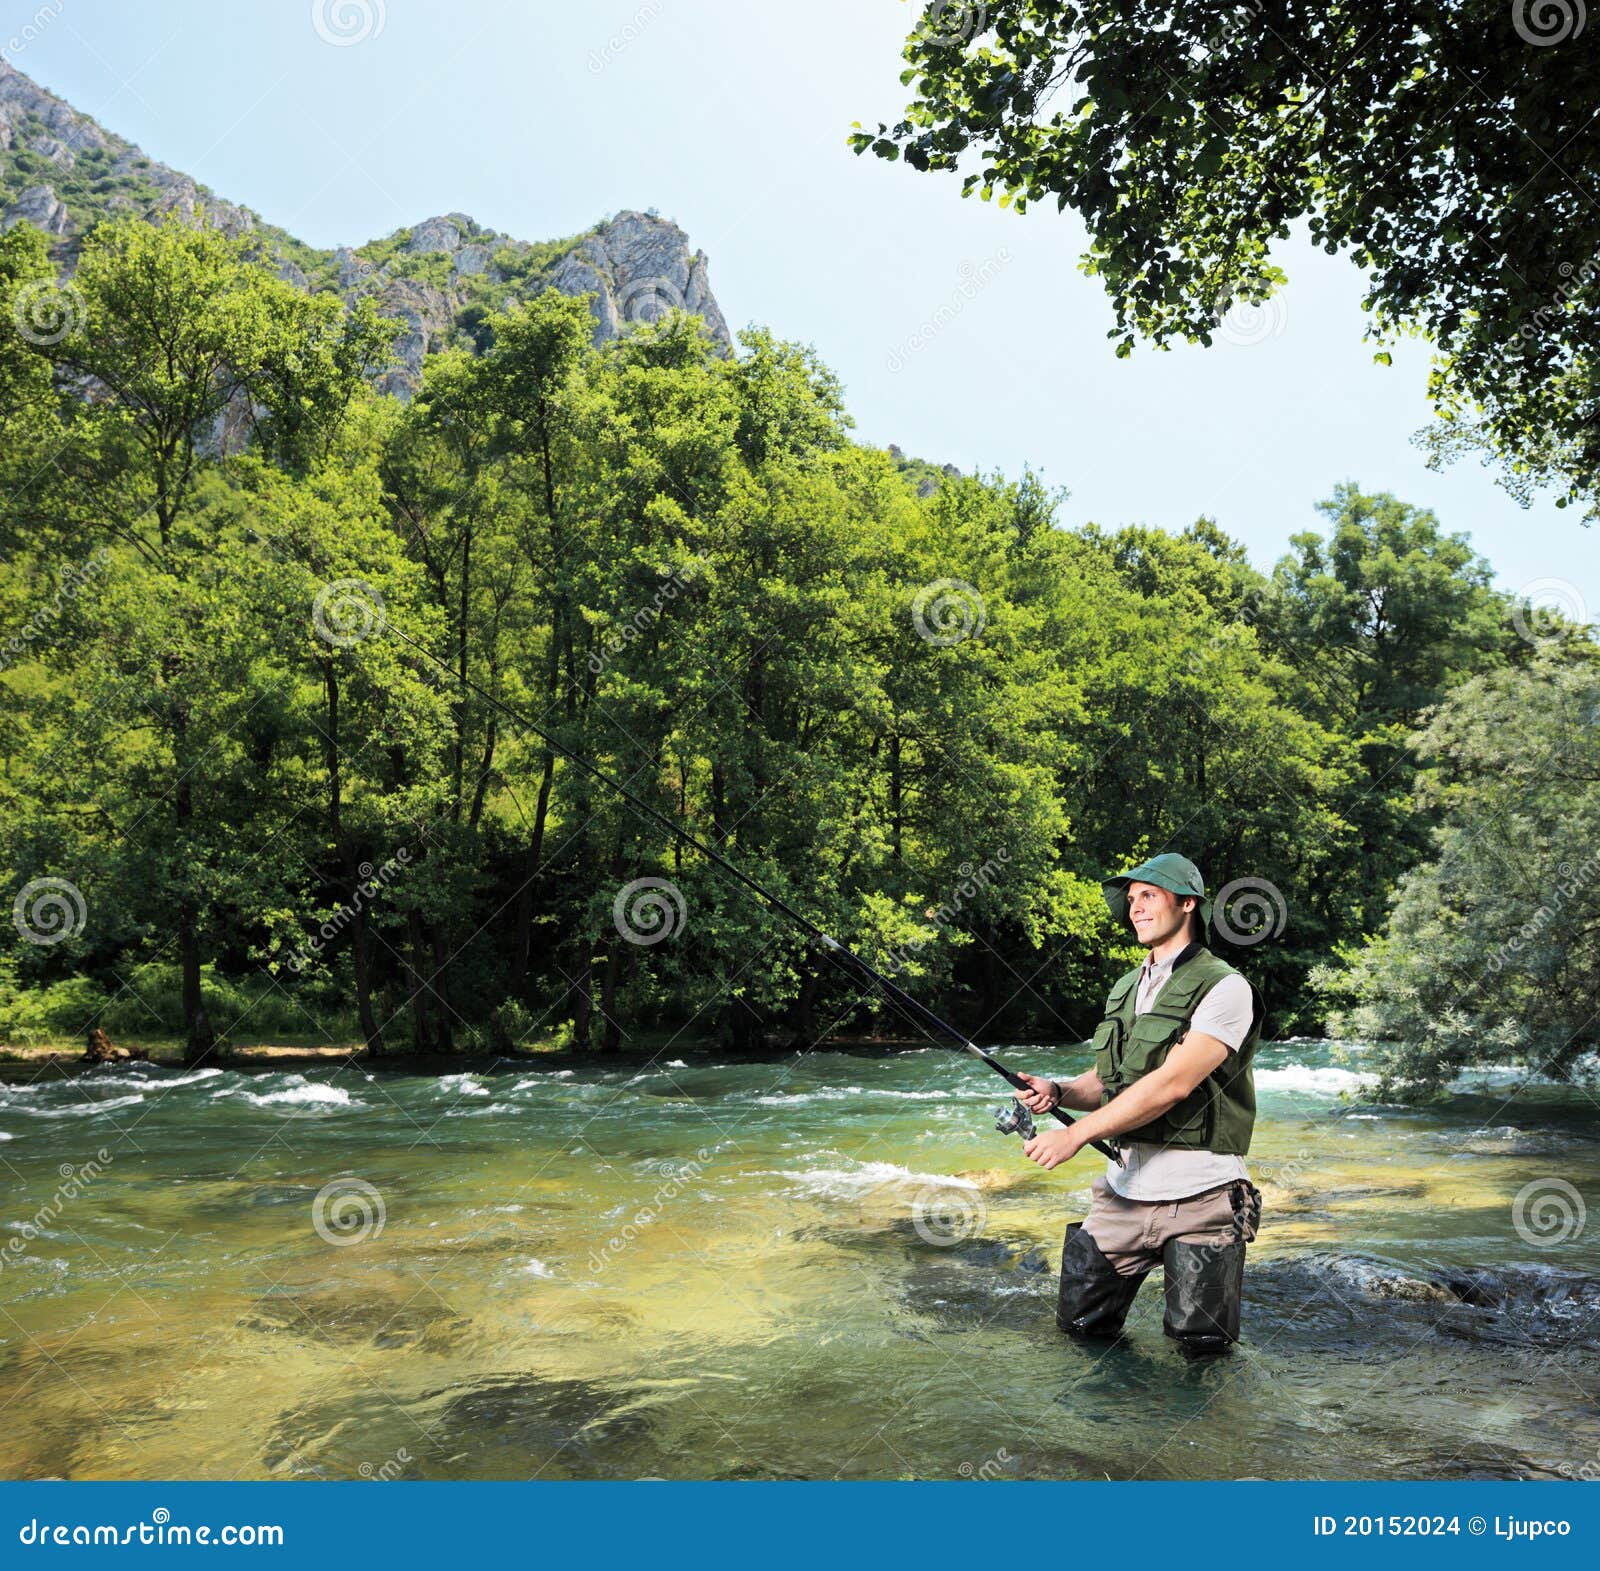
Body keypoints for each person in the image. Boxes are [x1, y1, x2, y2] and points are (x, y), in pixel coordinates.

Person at [1014, 853, 1265, 1357]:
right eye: (1131, 900)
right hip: (1122, 1195)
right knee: (1079, 1337)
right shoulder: (1128, 987)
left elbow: (1172, 1084)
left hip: (1203, 1200)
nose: (1135, 908)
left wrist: (1075, 1134)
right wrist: (1061, 1092)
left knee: (1202, 1354)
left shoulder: (1226, 987)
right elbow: (1112, 1081)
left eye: (1149, 895)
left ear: (1187, 903)